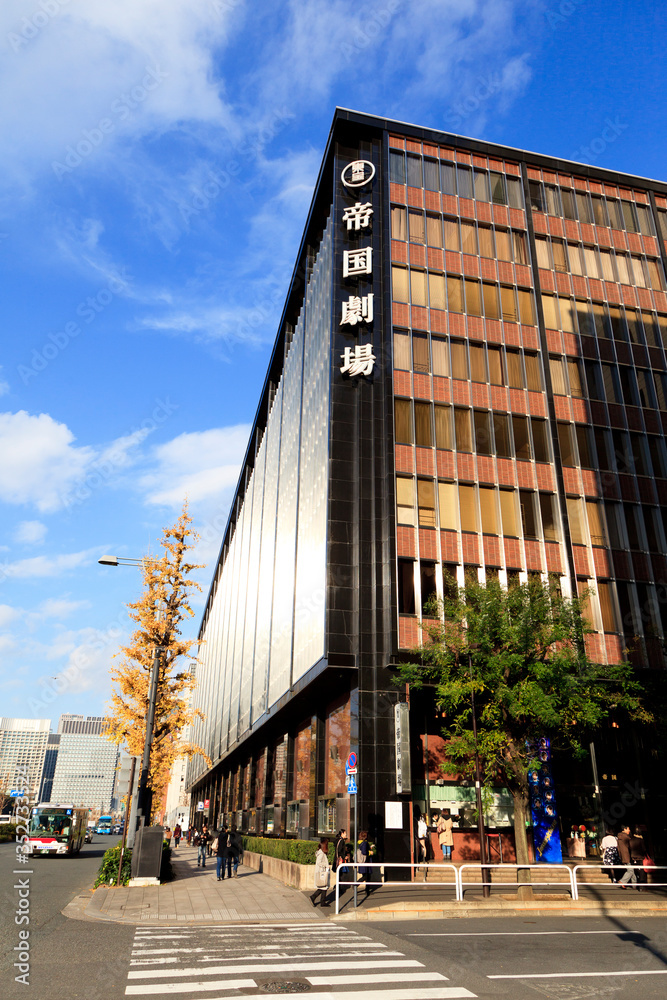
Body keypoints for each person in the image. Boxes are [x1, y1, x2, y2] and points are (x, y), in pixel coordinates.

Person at [310, 839, 331, 906]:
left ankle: (322, 901)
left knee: (323, 887)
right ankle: (314, 897)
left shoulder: (320, 853)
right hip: (322, 872)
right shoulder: (321, 854)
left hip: (321, 871)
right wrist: (325, 866)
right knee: (323, 887)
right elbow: (319, 862)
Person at [356, 829, 372, 895]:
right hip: (366, 862)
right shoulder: (365, 843)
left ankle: (367, 890)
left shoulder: (360, 843)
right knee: (367, 876)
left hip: (362, 862)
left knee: (366, 876)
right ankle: (356, 884)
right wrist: (370, 852)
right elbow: (364, 852)